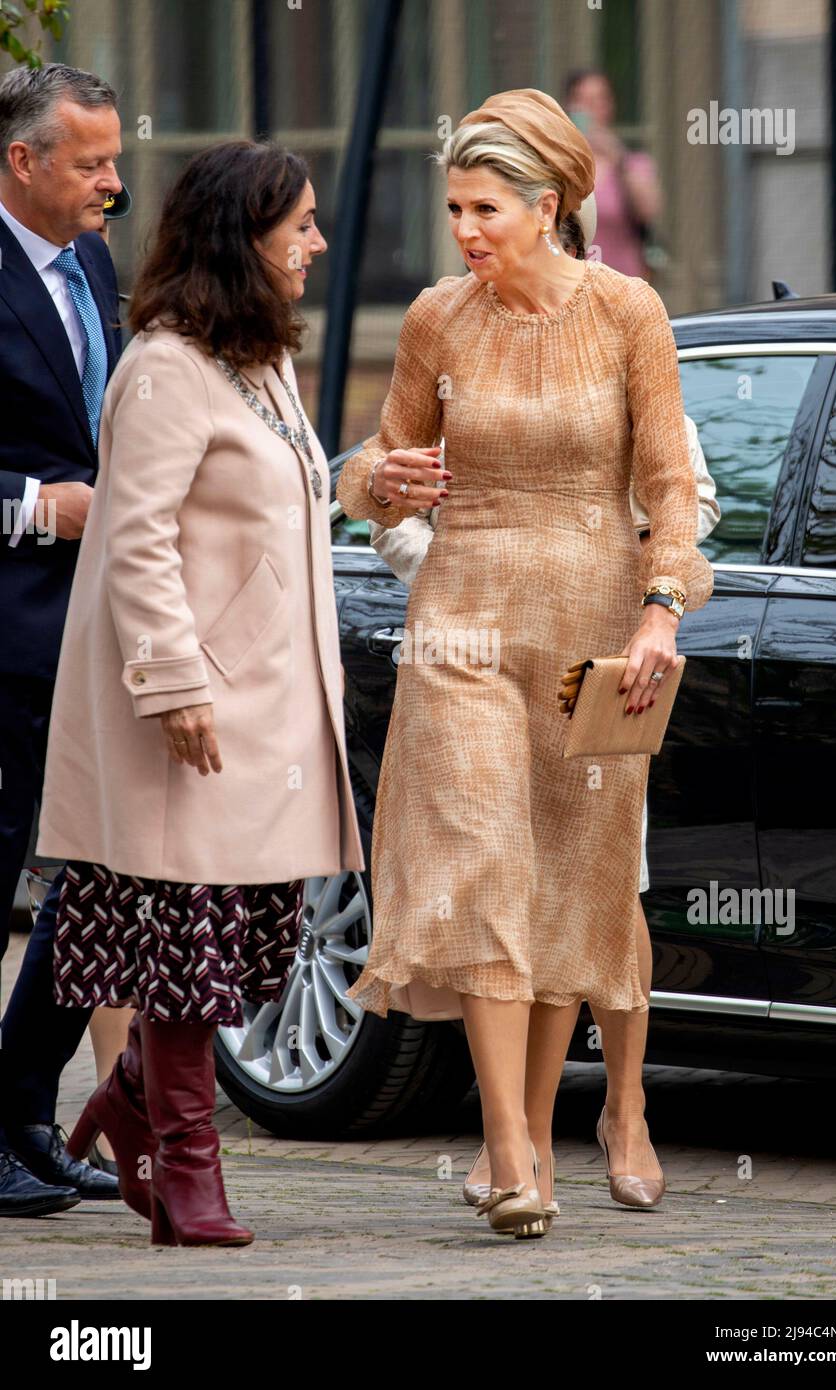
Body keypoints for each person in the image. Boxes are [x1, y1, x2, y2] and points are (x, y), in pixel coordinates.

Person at [336, 88, 713, 1239]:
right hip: (461, 626)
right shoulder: (437, 319)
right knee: (485, 861)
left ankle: (549, 1135)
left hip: (593, 628)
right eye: (453, 206)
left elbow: (665, 487)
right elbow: (374, 469)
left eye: (485, 207)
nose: (465, 230)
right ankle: (508, 1143)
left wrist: (661, 609)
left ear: (546, 205)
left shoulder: (627, 313)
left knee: (566, 882)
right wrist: (376, 484)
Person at [35, 139, 364, 1246]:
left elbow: (276, 513)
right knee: (187, 941)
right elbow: (134, 544)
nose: (317, 243)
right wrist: (176, 683)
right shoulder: (167, 365)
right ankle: (186, 1166)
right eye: (302, 225)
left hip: (266, 703)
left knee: (250, 938)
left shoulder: (257, 360)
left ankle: (127, 1098)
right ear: (244, 235)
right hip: (191, 710)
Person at [0, 62, 124, 1217]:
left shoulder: (91, 260)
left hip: (99, 634)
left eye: (116, 158)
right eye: (91, 164)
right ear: (22, 160)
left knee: (98, 880)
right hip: (6, 636)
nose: (113, 183)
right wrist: (39, 506)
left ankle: (23, 1115)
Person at [564, 68, 663, 280]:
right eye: (584, 101)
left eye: (599, 100)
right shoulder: (560, 163)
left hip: (623, 279)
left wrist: (619, 158)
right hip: (574, 283)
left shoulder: (631, 162)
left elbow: (649, 210)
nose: (592, 110)